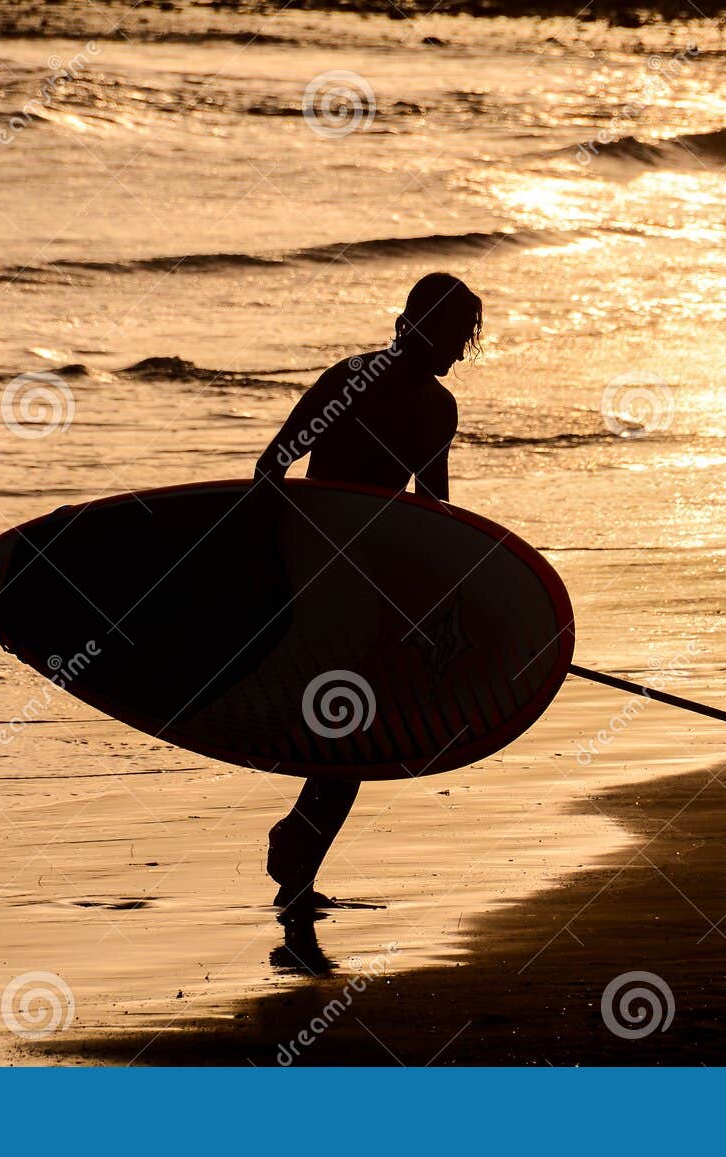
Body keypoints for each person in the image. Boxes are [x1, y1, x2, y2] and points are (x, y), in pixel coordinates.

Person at [253, 271, 482, 909]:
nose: (462, 350)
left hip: (364, 587)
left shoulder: (434, 406)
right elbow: (274, 466)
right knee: (351, 725)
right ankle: (295, 855)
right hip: (321, 583)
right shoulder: (352, 381)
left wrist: (435, 602)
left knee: (354, 726)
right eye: (459, 335)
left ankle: (297, 857)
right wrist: (280, 559)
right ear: (425, 324)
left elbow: (429, 507)